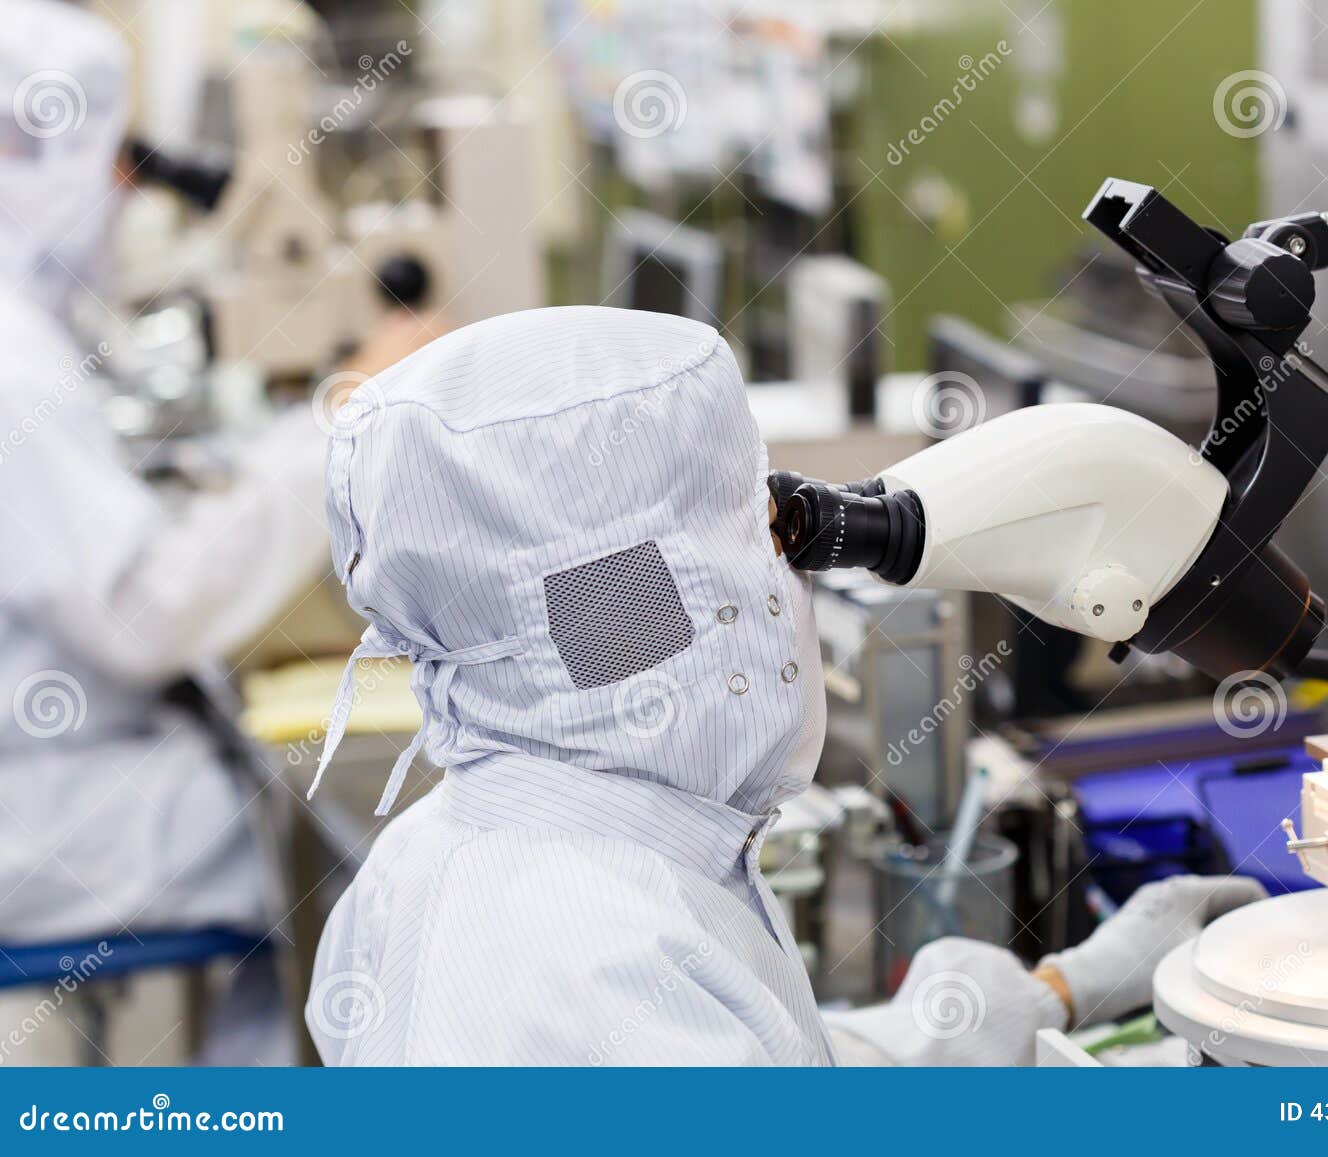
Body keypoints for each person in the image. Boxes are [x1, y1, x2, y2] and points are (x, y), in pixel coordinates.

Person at [305, 305, 1264, 1065]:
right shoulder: (610, 957)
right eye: (762, 527)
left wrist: (1061, 990)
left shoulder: (445, 857)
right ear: (661, 598)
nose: (788, 568)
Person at [0, 0, 330, 946]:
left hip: (48, 753)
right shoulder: (11, 356)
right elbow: (145, 615)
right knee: (312, 841)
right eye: (111, 156)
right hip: (35, 801)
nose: (123, 187)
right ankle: (253, 1102)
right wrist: (339, 426)